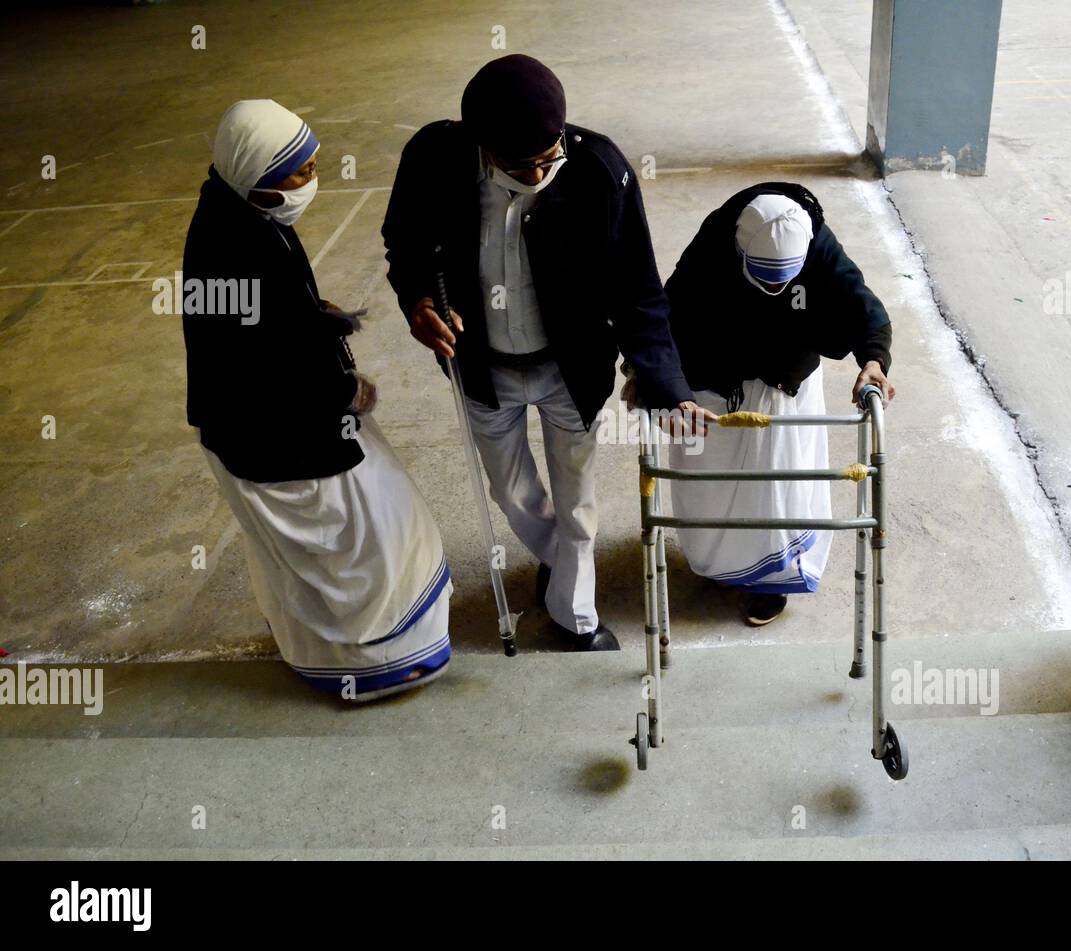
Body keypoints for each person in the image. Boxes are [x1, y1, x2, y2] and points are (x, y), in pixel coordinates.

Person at [382, 55, 713, 652]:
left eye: (548, 156)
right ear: (482, 148)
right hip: (481, 368)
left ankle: (575, 619)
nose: (539, 172)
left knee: (577, 499)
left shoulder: (598, 170)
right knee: (511, 494)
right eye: (520, 164)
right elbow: (403, 243)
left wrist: (668, 386)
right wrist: (418, 302)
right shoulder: (434, 160)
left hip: (571, 369)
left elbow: (638, 289)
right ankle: (559, 563)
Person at [183, 99, 453, 700]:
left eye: (312, 165)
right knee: (377, 535)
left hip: (263, 423)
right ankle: (381, 662)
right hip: (276, 438)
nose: (312, 181)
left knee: (324, 550)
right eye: (299, 172)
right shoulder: (239, 249)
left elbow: (262, 327)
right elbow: (268, 363)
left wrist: (312, 315)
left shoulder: (235, 209)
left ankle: (337, 653)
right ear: (257, 172)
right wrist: (346, 391)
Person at [661, 182, 895, 626]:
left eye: (782, 280)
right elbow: (664, 315)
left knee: (774, 490)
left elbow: (862, 305)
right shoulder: (713, 245)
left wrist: (874, 361)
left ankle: (772, 580)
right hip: (713, 386)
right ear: (739, 248)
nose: (772, 290)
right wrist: (655, 381)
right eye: (762, 277)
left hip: (782, 384)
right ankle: (720, 565)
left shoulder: (818, 245)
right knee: (708, 486)